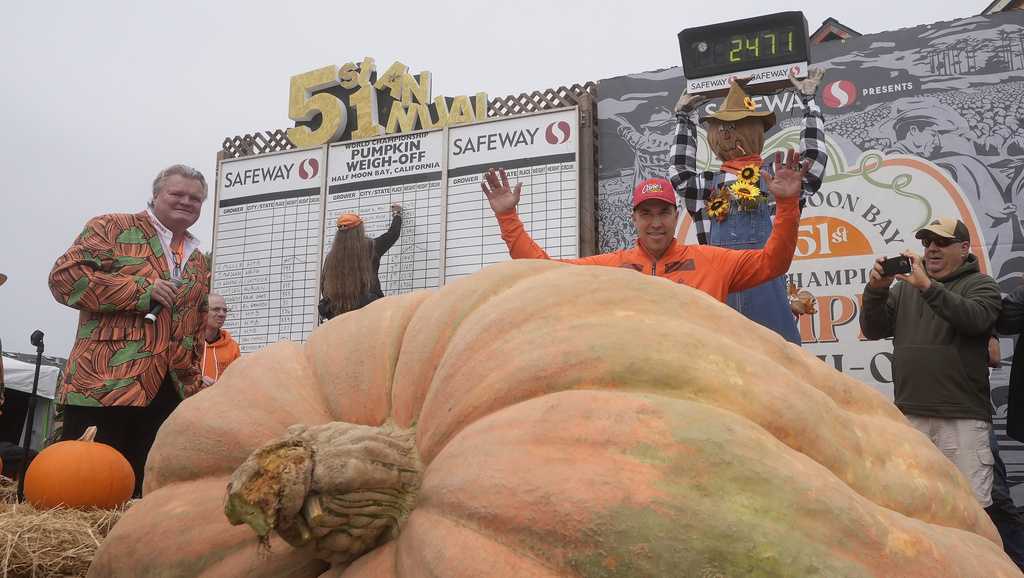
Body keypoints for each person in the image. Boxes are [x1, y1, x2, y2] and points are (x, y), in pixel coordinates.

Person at [48, 164, 211, 496]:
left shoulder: (197, 259)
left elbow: (194, 324)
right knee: (84, 488)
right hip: (106, 382)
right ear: (155, 195)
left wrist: (194, 379)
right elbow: (64, 280)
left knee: (144, 491)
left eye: (195, 198)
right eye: (176, 194)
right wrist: (140, 291)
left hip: (170, 390)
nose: (186, 202)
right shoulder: (112, 227)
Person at [480, 149, 808, 303]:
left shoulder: (714, 262)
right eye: (646, 214)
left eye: (663, 213)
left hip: (702, 388)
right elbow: (544, 272)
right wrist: (508, 218)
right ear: (634, 219)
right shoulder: (611, 268)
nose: (655, 223)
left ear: (676, 216)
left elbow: (773, 262)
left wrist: (787, 204)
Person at [669, 72, 827, 344]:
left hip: (771, 301)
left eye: (733, 127)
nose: (725, 134)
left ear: (754, 132)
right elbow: (679, 170)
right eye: (720, 128)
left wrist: (809, 102)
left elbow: (813, 161)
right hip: (720, 304)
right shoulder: (706, 186)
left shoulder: (777, 176)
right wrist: (683, 119)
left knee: (780, 376)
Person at [859, 217, 1001, 512]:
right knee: (918, 508)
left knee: (970, 512)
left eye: (942, 242)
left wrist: (927, 286)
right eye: (927, 242)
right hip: (911, 417)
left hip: (961, 418)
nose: (932, 249)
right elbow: (873, 329)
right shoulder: (904, 289)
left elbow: (975, 319)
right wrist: (876, 290)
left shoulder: (981, 285)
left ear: (964, 248)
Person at [319, 203, 402, 321]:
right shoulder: (370, 247)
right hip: (368, 312)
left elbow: (323, 287)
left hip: (338, 314)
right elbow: (392, 234)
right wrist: (397, 215)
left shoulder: (331, 257)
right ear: (359, 230)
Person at [201, 292, 240, 385]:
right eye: (216, 309)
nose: (222, 314)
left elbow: (237, 380)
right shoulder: (187, 343)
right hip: (189, 398)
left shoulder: (232, 347)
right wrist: (197, 380)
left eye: (225, 310)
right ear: (203, 312)